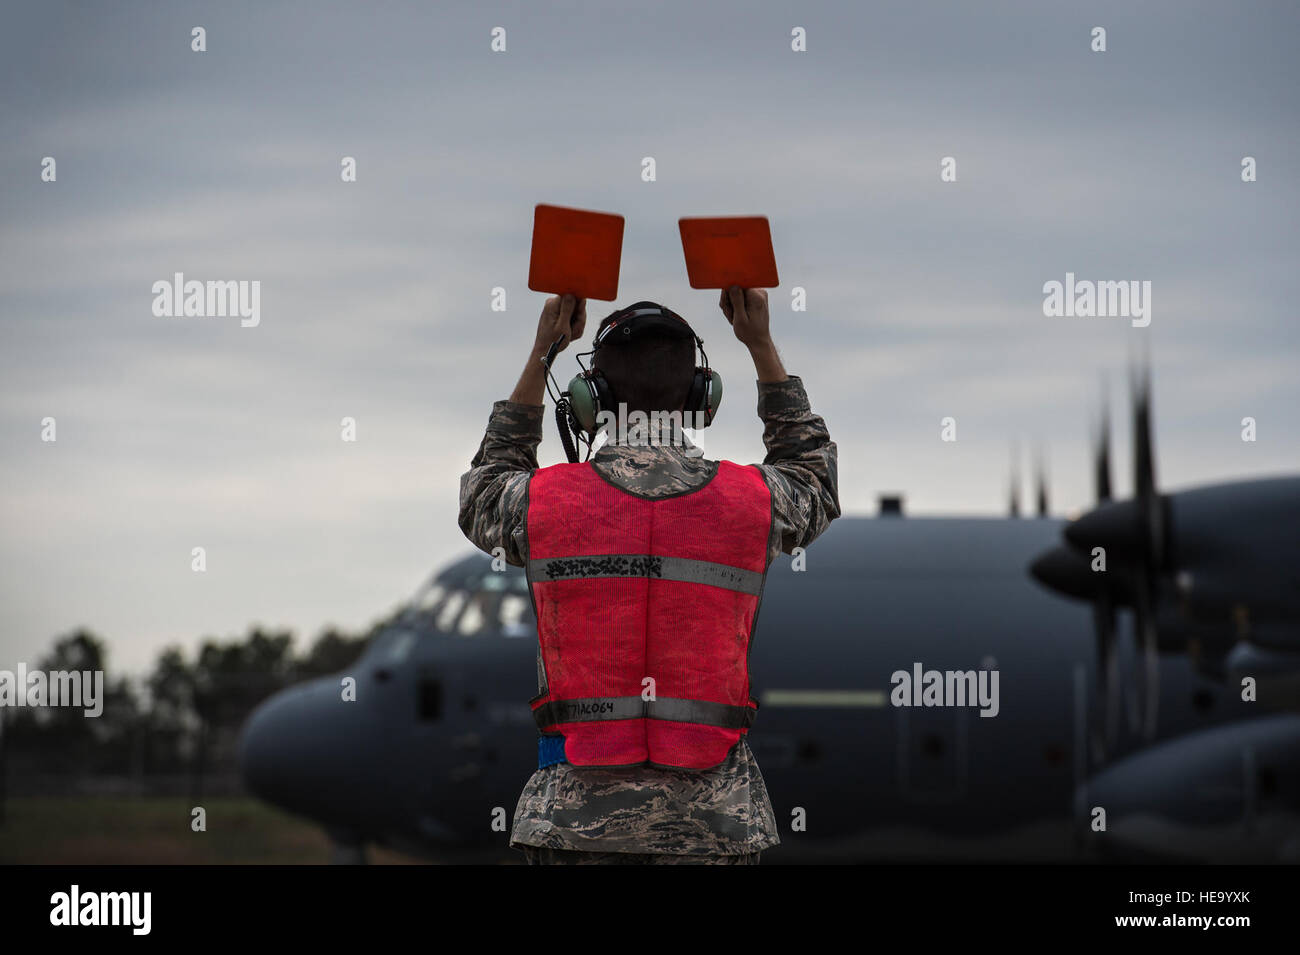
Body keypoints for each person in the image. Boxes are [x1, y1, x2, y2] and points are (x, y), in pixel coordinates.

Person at [458, 287, 840, 864]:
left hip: (572, 827)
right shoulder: (750, 502)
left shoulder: (544, 504)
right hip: (714, 825)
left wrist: (544, 352)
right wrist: (760, 344)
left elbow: (485, 488)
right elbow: (813, 478)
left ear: (592, 399)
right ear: (700, 398)